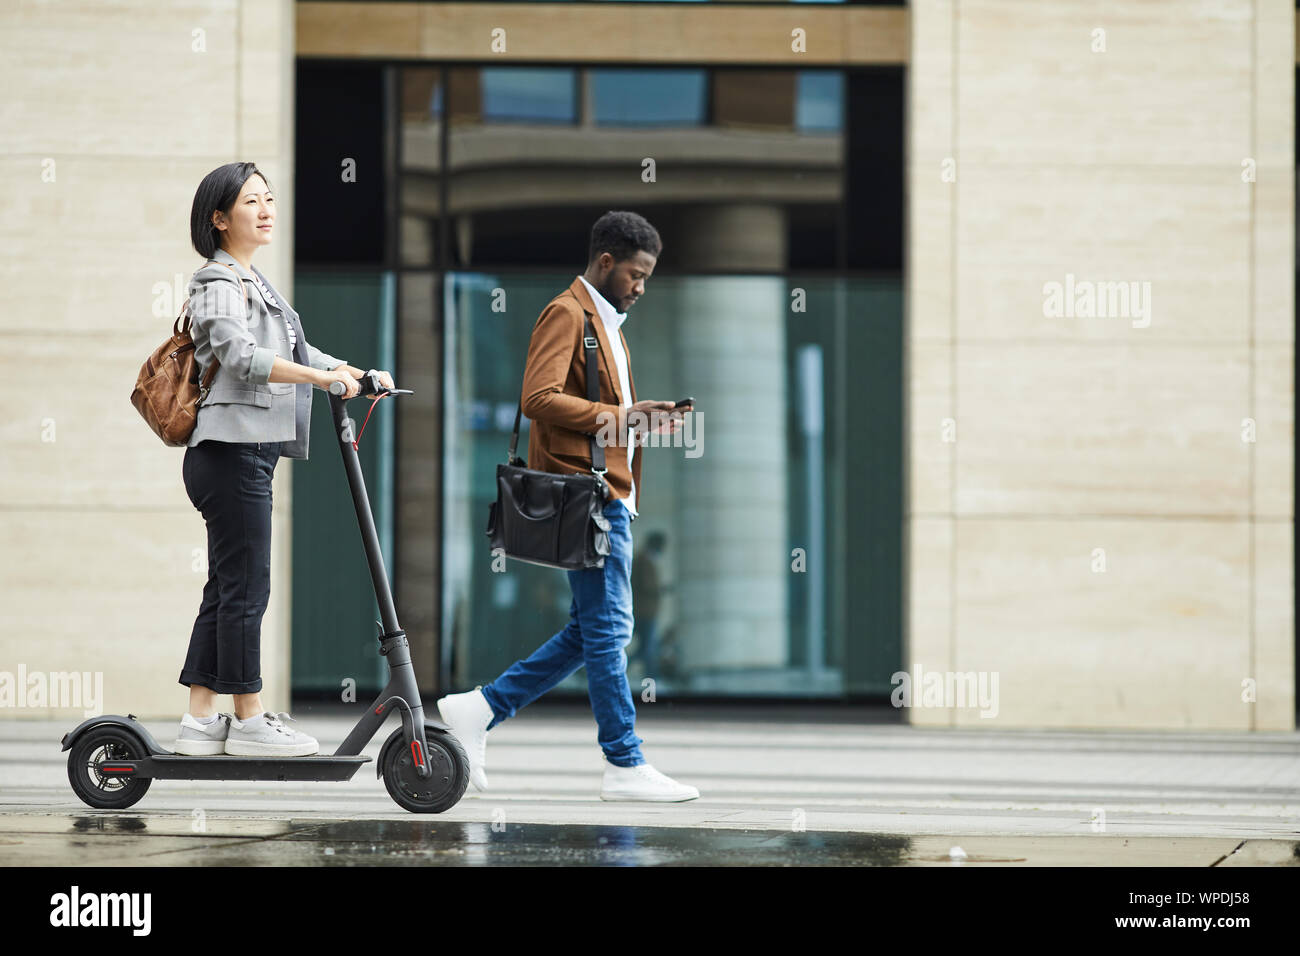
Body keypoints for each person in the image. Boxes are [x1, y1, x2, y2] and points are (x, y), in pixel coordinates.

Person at [437, 211, 700, 802]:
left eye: (647, 278)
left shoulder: (610, 324)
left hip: (613, 491)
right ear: (605, 262)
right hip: (588, 494)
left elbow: (602, 412)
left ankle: (480, 709)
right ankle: (624, 763)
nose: (640, 287)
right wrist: (620, 418)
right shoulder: (567, 312)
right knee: (609, 630)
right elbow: (538, 397)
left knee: (596, 629)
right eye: (635, 274)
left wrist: (640, 416)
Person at [172, 162, 394, 758]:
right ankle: (247, 719)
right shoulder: (217, 281)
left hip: (247, 453)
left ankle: (199, 720)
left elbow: (294, 348)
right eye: (251, 202)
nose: (267, 209)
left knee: (228, 583)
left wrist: (351, 372)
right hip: (229, 452)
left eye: (269, 199)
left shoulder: (255, 279)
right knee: (247, 587)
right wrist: (321, 380)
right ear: (219, 218)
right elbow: (242, 357)